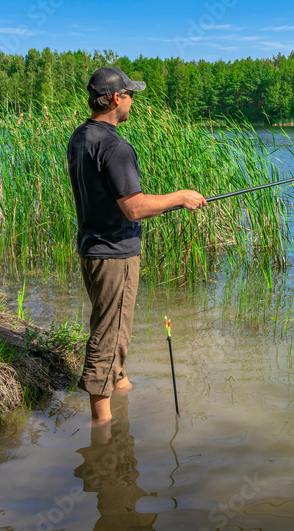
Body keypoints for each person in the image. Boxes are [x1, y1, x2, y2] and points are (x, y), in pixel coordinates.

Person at [67, 66, 206, 424]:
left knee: (115, 325)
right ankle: (102, 422)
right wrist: (180, 197)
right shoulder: (115, 146)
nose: (132, 102)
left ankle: (122, 385)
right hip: (114, 252)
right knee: (109, 333)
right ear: (116, 98)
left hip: (92, 247)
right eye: (130, 95)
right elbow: (133, 207)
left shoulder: (82, 136)